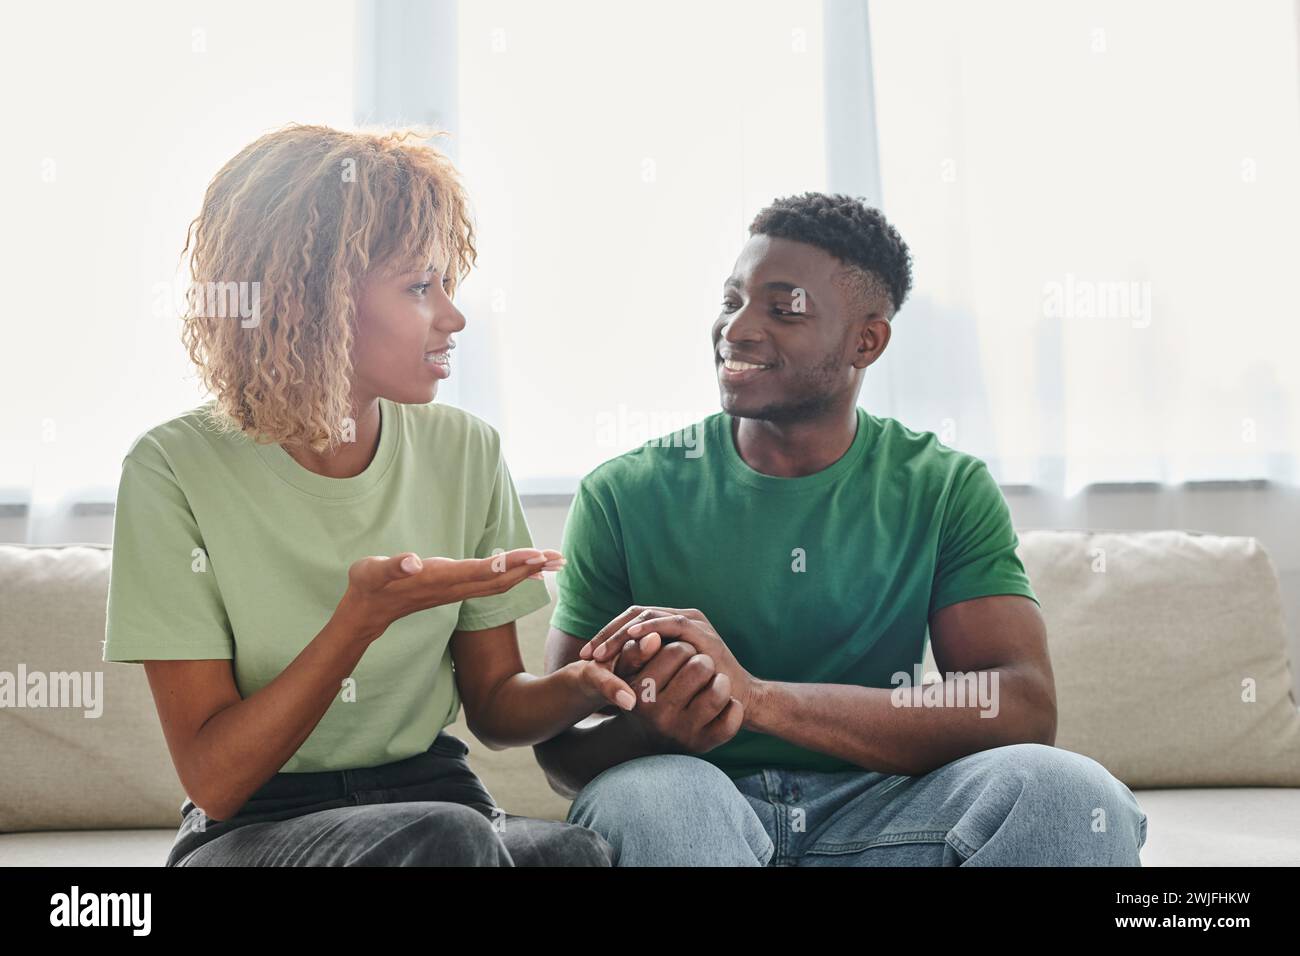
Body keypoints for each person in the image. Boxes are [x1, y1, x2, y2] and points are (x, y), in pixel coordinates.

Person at [535, 192, 1149, 866]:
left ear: (867, 340)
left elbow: (1021, 705)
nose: (736, 329)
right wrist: (650, 731)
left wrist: (759, 700)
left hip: (884, 806)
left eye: (782, 308)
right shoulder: (625, 493)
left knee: (1068, 794)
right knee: (653, 800)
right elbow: (561, 747)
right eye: (732, 298)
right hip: (700, 804)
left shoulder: (941, 486)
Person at [102, 124, 633, 867]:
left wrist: (585, 684)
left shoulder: (465, 449)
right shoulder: (171, 468)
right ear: (312, 298)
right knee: (448, 841)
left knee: (574, 855)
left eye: (448, 283)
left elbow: (495, 705)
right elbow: (216, 781)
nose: (454, 316)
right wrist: (362, 618)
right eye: (421, 287)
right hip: (255, 828)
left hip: (439, 800)